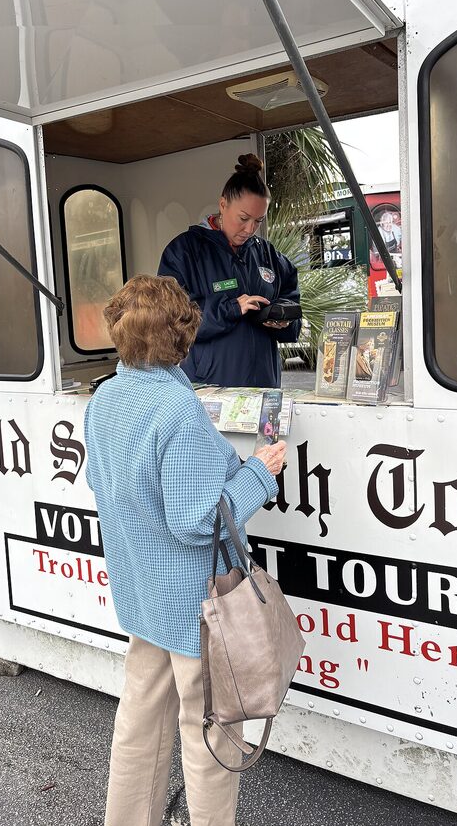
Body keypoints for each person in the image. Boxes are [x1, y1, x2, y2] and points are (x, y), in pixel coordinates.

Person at [84, 275, 287, 826]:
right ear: (182, 336)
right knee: (210, 733)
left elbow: (106, 483)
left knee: (140, 719)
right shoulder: (175, 408)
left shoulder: (103, 399)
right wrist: (259, 474)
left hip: (142, 590)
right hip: (196, 605)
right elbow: (198, 521)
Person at [158, 153, 301, 388]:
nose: (249, 229)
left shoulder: (270, 255)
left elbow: (293, 307)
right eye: (243, 218)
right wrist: (232, 308)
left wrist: (283, 320)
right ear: (223, 204)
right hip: (209, 389)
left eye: (258, 221)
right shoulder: (183, 251)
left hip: (264, 389)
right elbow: (171, 322)